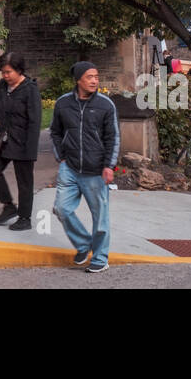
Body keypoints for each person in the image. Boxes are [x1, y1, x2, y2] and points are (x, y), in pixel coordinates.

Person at [49, 62, 120, 274]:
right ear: (79, 79)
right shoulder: (63, 104)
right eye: (90, 77)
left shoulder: (106, 105)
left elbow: (113, 137)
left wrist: (109, 165)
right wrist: (60, 157)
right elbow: (55, 132)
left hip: (96, 171)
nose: (94, 81)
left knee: (100, 218)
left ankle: (99, 258)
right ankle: (83, 244)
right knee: (61, 209)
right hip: (69, 168)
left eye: (96, 77)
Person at [0, 51, 42, 231]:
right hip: (4, 139)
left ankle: (25, 218)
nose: (5, 76)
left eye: (8, 72)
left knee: (24, 182)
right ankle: (9, 206)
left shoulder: (29, 90)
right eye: (3, 72)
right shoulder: (2, 86)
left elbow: (35, 122)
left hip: (23, 141)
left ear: (19, 70)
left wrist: (30, 151)